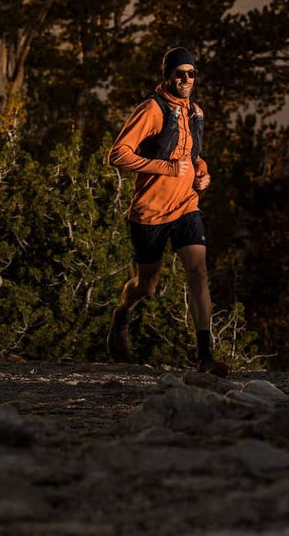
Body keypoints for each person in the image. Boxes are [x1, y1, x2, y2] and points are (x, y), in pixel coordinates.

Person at [105, 46, 227, 375]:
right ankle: (123, 313)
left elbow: (192, 156)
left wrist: (202, 174)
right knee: (147, 286)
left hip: (186, 206)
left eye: (191, 73)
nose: (186, 79)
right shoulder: (152, 109)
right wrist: (164, 167)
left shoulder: (194, 112)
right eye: (179, 73)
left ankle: (205, 357)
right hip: (150, 213)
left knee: (198, 273)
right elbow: (118, 155)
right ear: (167, 76)